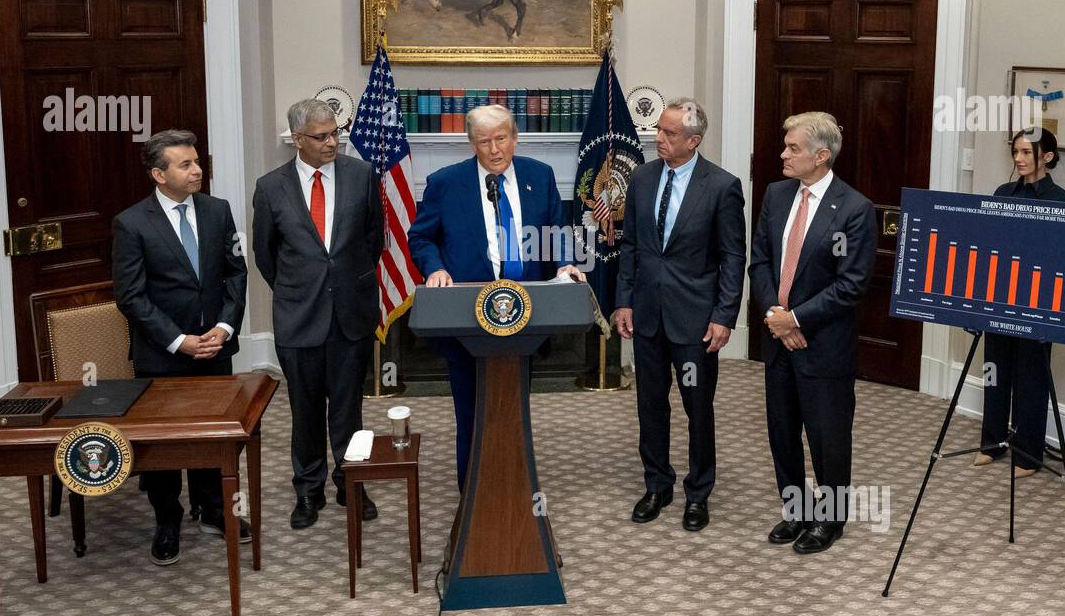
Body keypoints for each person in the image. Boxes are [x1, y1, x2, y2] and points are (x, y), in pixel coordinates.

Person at [408, 103, 586, 489]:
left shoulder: (540, 176)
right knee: (471, 411)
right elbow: (421, 237)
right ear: (471, 143)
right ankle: (472, 495)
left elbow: (558, 229)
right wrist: (435, 268)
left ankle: (516, 489)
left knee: (513, 407)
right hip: (466, 314)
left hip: (527, 314)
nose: (493, 149)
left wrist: (565, 264)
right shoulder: (445, 183)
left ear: (515, 137)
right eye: (484, 141)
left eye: (501, 139)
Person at [112, 129, 248, 566]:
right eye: (185, 164)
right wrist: (178, 340)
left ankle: (213, 510)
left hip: (215, 348)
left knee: (213, 436)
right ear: (158, 174)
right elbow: (132, 297)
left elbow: (235, 274)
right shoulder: (131, 223)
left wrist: (225, 328)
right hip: (163, 356)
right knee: (164, 446)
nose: (197, 170)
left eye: (196, 161)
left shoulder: (217, 211)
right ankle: (166, 518)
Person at [613, 99, 745, 532]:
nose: (659, 138)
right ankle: (657, 484)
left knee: (697, 408)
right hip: (647, 315)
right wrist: (623, 301)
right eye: (660, 130)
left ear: (694, 141)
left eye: (669, 134)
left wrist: (725, 316)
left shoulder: (722, 187)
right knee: (650, 405)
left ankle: (698, 492)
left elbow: (732, 257)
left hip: (695, 320)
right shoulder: (642, 178)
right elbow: (629, 246)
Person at [252, 99, 384, 529]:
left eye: (334, 133)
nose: (332, 142)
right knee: (304, 409)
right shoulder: (271, 187)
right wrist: (300, 290)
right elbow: (265, 255)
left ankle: (351, 481)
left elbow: (373, 240)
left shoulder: (361, 175)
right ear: (297, 139)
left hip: (351, 313)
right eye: (321, 136)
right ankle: (308, 490)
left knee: (349, 409)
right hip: (298, 317)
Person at [748, 112, 876, 554]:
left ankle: (831, 519)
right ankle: (797, 510)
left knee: (828, 437)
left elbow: (851, 285)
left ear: (821, 156)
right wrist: (777, 317)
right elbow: (759, 261)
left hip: (824, 346)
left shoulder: (855, 209)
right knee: (782, 433)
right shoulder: (777, 194)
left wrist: (796, 320)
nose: (783, 154)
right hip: (779, 339)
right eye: (785, 146)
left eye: (793, 148)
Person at [973, 128, 1065, 478]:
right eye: (1015, 152)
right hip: (1001, 298)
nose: (1018, 159)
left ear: (1046, 157)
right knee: (995, 371)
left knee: (1032, 377)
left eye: (1026, 153)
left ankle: (1028, 454)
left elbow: (1061, 258)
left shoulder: (1061, 200)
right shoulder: (1003, 193)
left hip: (1038, 303)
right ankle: (992, 442)